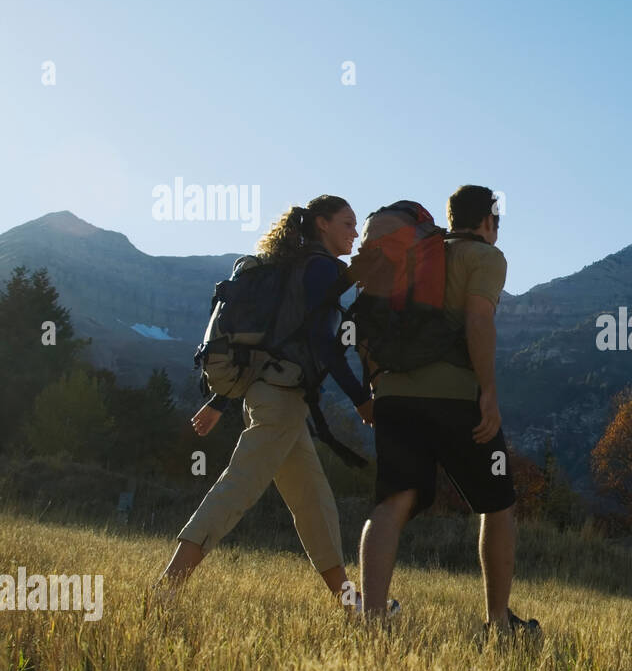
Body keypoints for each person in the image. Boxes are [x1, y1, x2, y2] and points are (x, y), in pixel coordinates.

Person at [157, 195, 380, 608]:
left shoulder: (301, 268)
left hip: (278, 400)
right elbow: (322, 344)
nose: (353, 233)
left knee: (315, 506)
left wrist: (221, 403)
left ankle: (352, 605)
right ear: (321, 224)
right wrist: (360, 399)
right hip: (280, 401)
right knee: (238, 487)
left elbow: (272, 344)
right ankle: (167, 589)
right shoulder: (322, 269)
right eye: (347, 224)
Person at [357, 185, 538, 639]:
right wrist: (489, 393)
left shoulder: (415, 255)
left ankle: (373, 619)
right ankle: (498, 624)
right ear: (489, 221)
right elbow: (479, 321)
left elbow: (370, 322)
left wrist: (378, 387)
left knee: (392, 501)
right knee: (498, 504)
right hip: (456, 397)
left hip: (395, 395)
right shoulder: (486, 258)